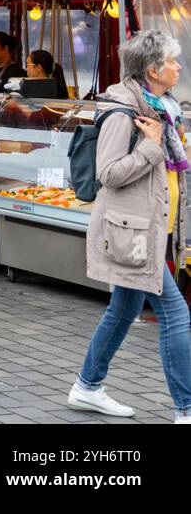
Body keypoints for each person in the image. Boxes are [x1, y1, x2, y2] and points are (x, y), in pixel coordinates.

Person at [68, 31, 191, 422]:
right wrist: (151, 148)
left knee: (123, 309)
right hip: (133, 232)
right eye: (173, 61)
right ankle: (186, 407)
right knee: (176, 313)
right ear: (153, 70)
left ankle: (87, 386)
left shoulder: (163, 108)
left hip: (151, 226)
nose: (179, 67)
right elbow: (108, 173)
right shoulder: (123, 111)